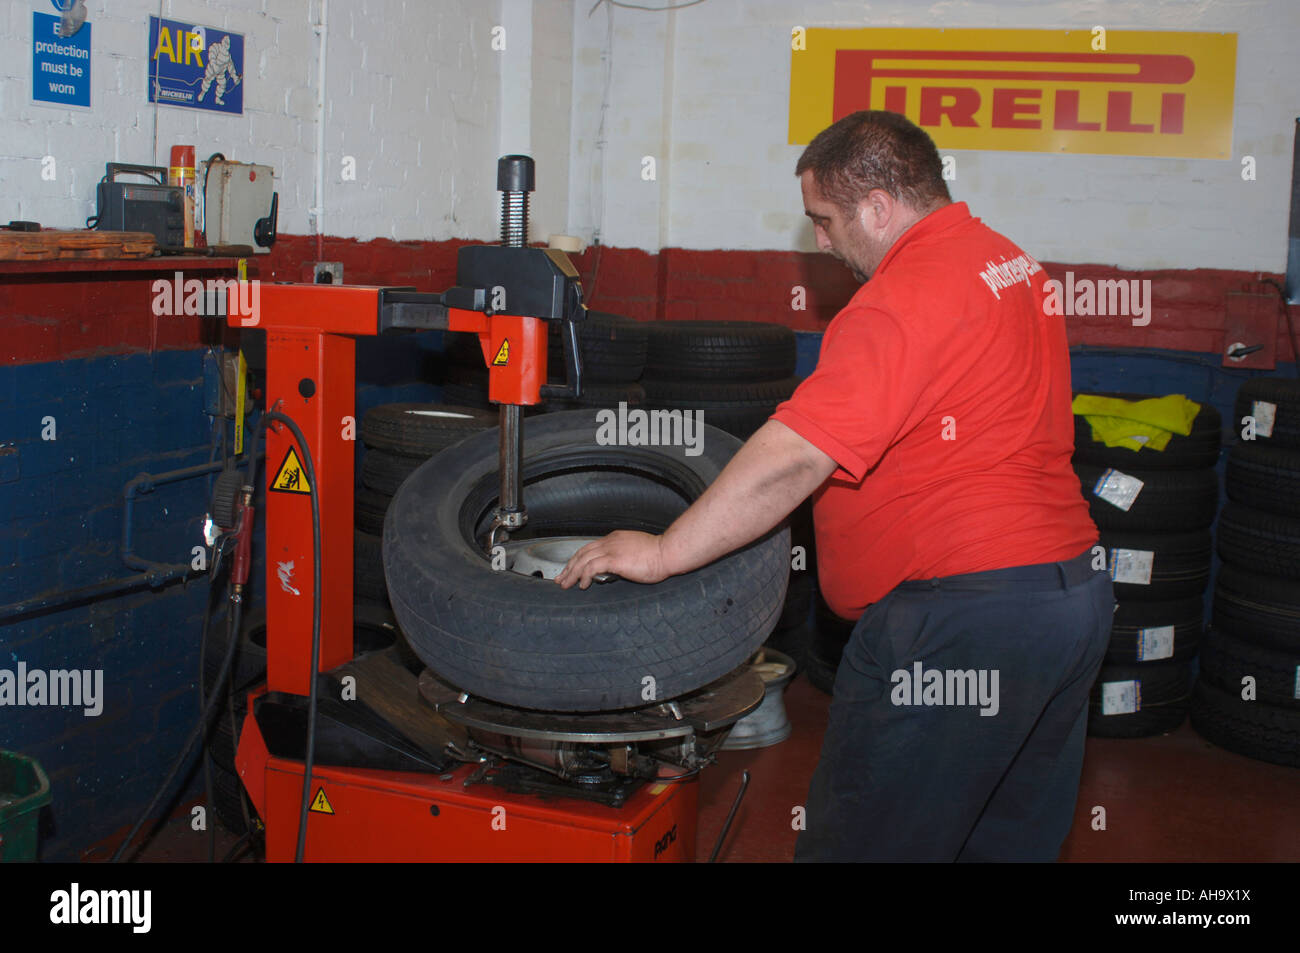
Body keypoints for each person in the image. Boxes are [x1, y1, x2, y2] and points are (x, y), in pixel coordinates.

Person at [556, 110, 1113, 862]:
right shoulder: (1010, 264)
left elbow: (795, 455)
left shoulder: (899, 298)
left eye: (824, 219)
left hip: (959, 625)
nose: (820, 240)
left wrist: (662, 551)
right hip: (1069, 604)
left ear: (878, 207)